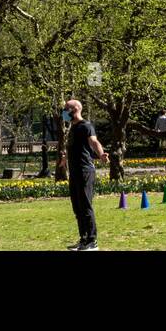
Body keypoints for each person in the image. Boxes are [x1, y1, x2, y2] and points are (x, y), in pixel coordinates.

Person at [59, 99, 105, 252]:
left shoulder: (86, 126)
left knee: (85, 206)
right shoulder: (72, 127)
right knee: (77, 207)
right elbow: (72, 147)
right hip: (75, 172)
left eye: (67, 108)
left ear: (76, 109)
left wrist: (101, 154)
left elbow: (94, 141)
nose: (64, 111)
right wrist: (65, 159)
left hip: (85, 171)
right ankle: (83, 239)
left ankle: (92, 241)